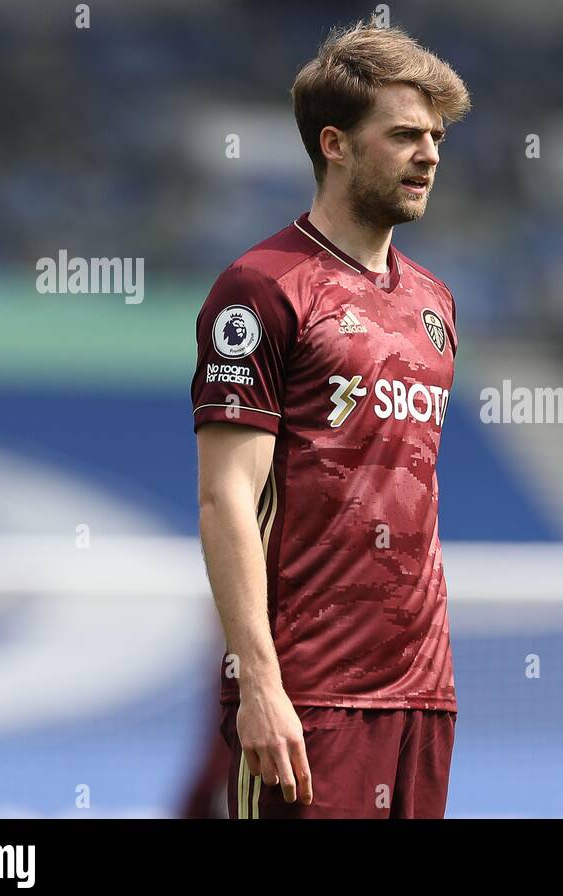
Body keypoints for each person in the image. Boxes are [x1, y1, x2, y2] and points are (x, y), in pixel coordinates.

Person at [190, 20, 470, 818]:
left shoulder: (435, 305)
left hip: (421, 697)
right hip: (307, 697)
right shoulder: (263, 289)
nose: (431, 155)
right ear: (336, 144)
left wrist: (430, 685)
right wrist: (261, 687)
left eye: (437, 137)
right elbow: (226, 500)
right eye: (406, 135)